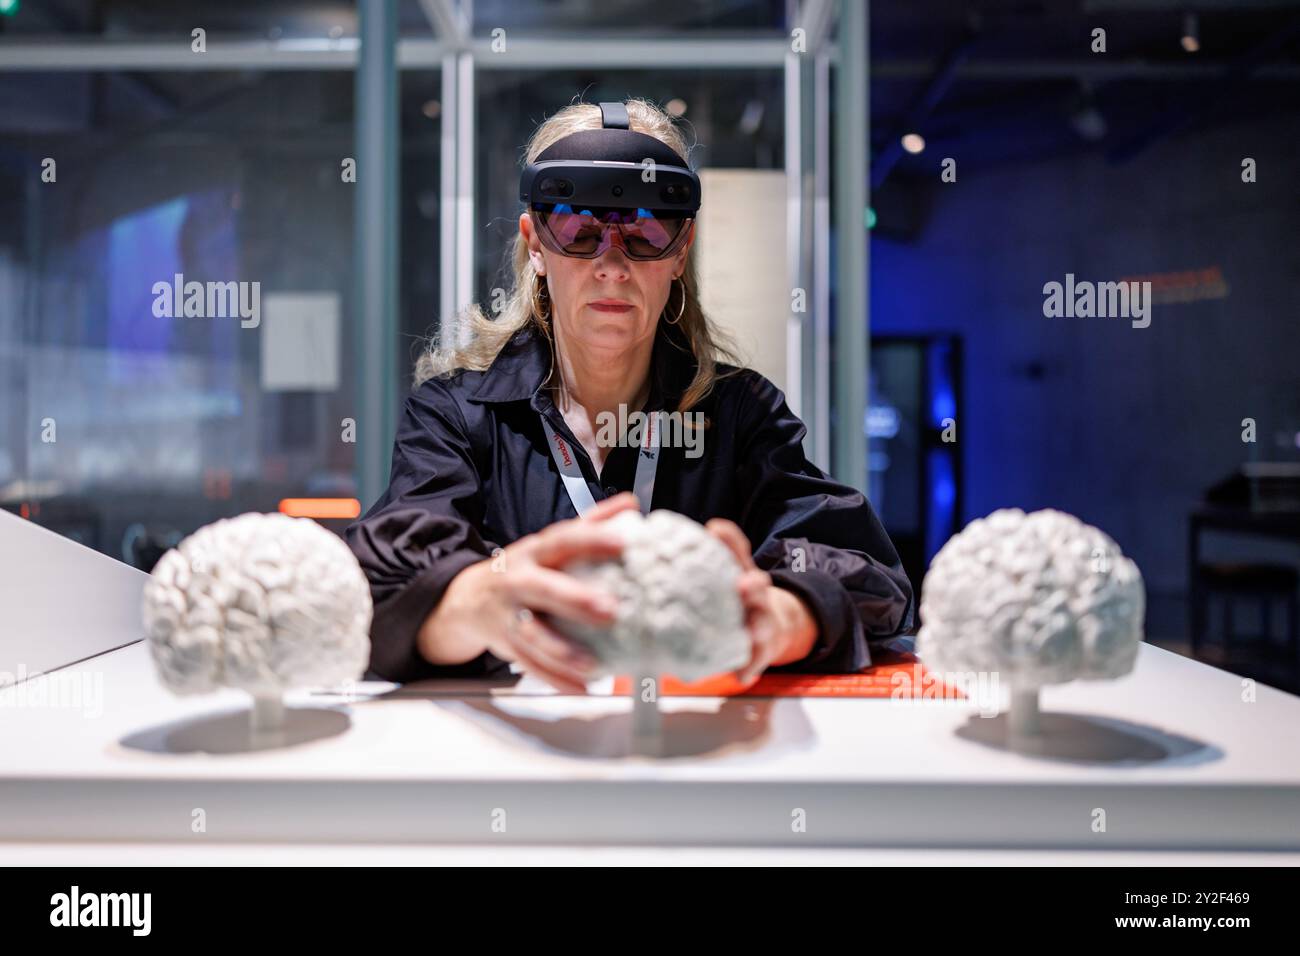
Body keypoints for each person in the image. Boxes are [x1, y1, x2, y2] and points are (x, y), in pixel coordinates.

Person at [344, 98, 913, 693]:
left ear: (681, 249)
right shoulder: (457, 416)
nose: (612, 264)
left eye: (644, 231)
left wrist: (782, 617)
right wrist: (474, 602)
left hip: (693, 756)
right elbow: (376, 589)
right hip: (519, 761)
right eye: (577, 228)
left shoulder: (741, 415)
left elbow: (873, 578)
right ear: (535, 244)